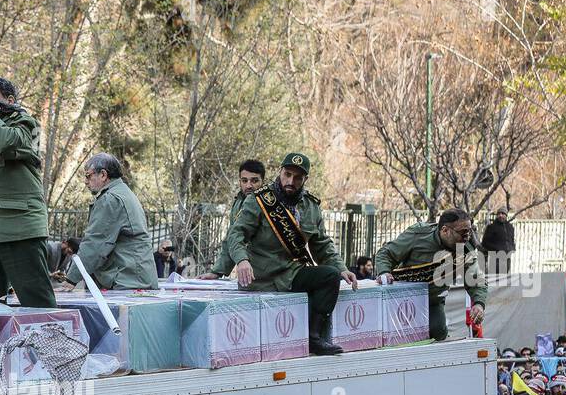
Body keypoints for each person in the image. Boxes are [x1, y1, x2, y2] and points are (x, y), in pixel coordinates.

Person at [220, 152, 356, 355]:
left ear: (305, 179)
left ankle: (314, 338)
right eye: (287, 174)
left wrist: (342, 268)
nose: (290, 181)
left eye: (297, 177)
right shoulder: (259, 201)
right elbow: (236, 234)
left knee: (329, 276)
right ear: (280, 172)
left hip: (290, 274)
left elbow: (322, 245)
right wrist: (241, 261)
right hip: (261, 278)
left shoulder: (310, 207)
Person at [0, 76, 55, 308]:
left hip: (19, 229)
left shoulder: (26, 123)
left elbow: (9, 143)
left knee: (37, 303)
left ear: (10, 100)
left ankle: (51, 344)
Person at [374, 208, 487, 342]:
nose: (467, 236)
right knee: (397, 338)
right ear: (445, 230)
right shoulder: (418, 234)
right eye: (463, 232)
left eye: (469, 231)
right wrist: (384, 272)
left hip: (433, 300)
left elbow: (476, 279)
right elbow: (386, 253)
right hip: (401, 299)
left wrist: (479, 304)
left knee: (438, 333)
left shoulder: (466, 247)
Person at [61, 154, 157, 292]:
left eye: (88, 176)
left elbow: (95, 243)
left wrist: (71, 279)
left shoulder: (110, 199)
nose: (85, 182)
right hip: (136, 278)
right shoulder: (124, 193)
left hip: (127, 281)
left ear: (103, 175)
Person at [201, 158, 265, 280]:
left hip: (269, 272)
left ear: (263, 181)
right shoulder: (238, 203)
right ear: (239, 181)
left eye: (254, 181)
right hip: (247, 271)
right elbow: (232, 238)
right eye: (244, 180)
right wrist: (217, 272)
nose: (249, 185)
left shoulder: (268, 204)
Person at [481, 209, 516, 279]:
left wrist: (512, 248)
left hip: (507, 258)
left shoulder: (510, 227)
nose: (500, 215)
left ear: (506, 215)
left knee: (505, 279)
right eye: (499, 214)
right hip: (495, 258)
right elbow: (485, 243)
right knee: (494, 280)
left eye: (503, 214)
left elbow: (511, 240)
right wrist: (496, 249)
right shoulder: (491, 227)